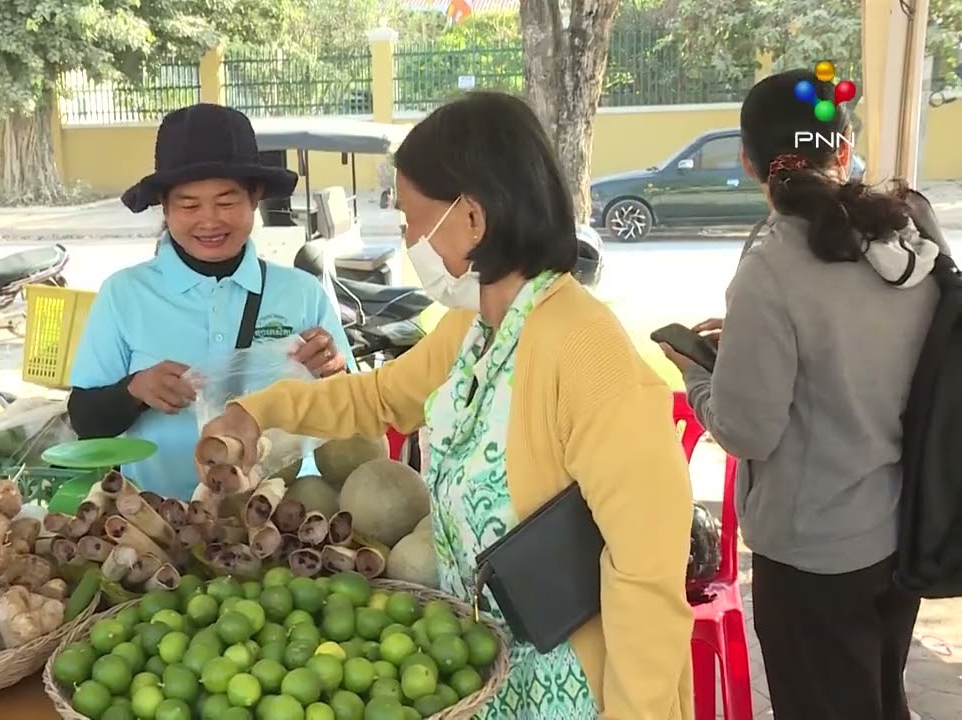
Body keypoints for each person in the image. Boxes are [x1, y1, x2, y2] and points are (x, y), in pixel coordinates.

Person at [200, 91, 695, 719]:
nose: (406, 237)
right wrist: (257, 411)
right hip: (488, 670)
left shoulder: (584, 348)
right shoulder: (471, 330)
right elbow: (376, 395)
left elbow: (647, 568)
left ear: (472, 218)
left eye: (411, 218)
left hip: (572, 689)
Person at [661, 69, 944, 720]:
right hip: (900, 529)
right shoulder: (910, 229)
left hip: (811, 556)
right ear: (844, 148)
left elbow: (746, 429)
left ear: (748, 161)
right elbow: (880, 346)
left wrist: (695, 370)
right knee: (877, 698)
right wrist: (758, 340)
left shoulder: (773, 262)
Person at [67, 103, 355, 500]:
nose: (209, 220)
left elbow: (352, 412)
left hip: (282, 522)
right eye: (188, 205)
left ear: (255, 198)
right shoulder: (124, 294)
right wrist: (134, 390)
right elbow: (85, 419)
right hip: (157, 524)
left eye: (226, 202)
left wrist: (333, 372)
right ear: (164, 207)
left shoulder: (301, 294)